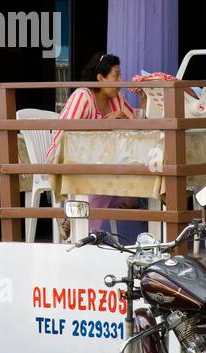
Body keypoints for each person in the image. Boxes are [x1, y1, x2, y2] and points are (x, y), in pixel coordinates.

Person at [48, 53, 143, 238]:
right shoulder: (83, 96)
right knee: (104, 180)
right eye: (116, 75)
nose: (121, 80)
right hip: (66, 157)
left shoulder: (117, 100)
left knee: (131, 188)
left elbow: (138, 125)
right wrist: (104, 124)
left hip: (102, 161)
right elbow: (66, 133)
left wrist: (144, 97)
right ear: (100, 78)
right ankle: (85, 232)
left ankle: (78, 216)